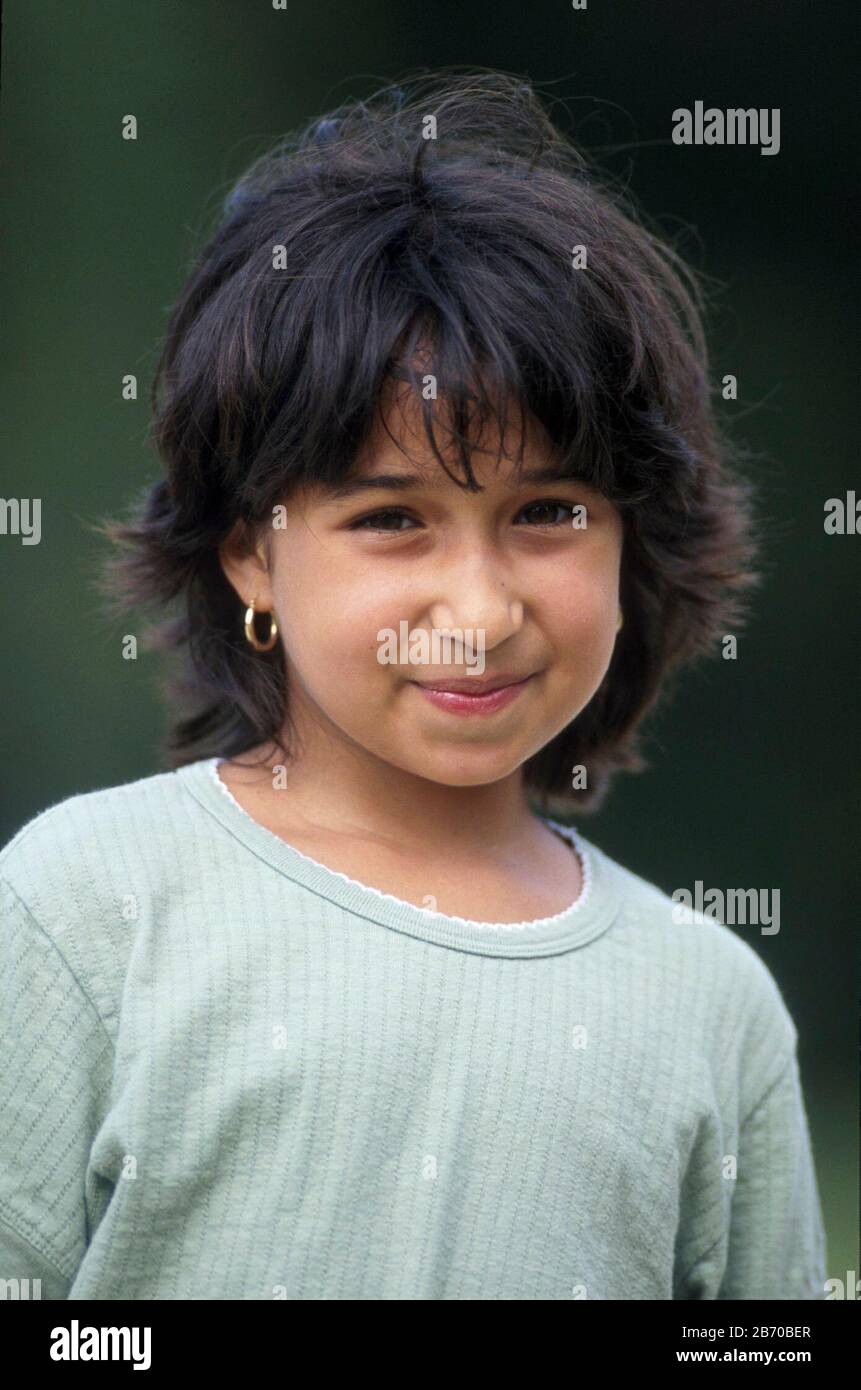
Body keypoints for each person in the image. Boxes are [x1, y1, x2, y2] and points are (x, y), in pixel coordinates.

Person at [0, 71, 826, 1299]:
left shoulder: (711, 1000)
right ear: (248, 552)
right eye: (393, 519)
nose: (482, 610)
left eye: (548, 511)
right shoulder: (82, 912)